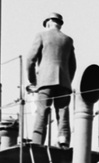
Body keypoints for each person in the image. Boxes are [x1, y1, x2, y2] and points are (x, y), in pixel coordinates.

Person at [26, 13, 77, 147]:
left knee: (42, 110)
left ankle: (37, 141)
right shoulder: (68, 40)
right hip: (64, 82)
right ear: (60, 24)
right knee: (63, 111)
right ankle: (63, 139)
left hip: (45, 81)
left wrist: (33, 81)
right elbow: (73, 66)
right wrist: (67, 80)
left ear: (48, 23)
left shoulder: (42, 35)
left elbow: (30, 60)